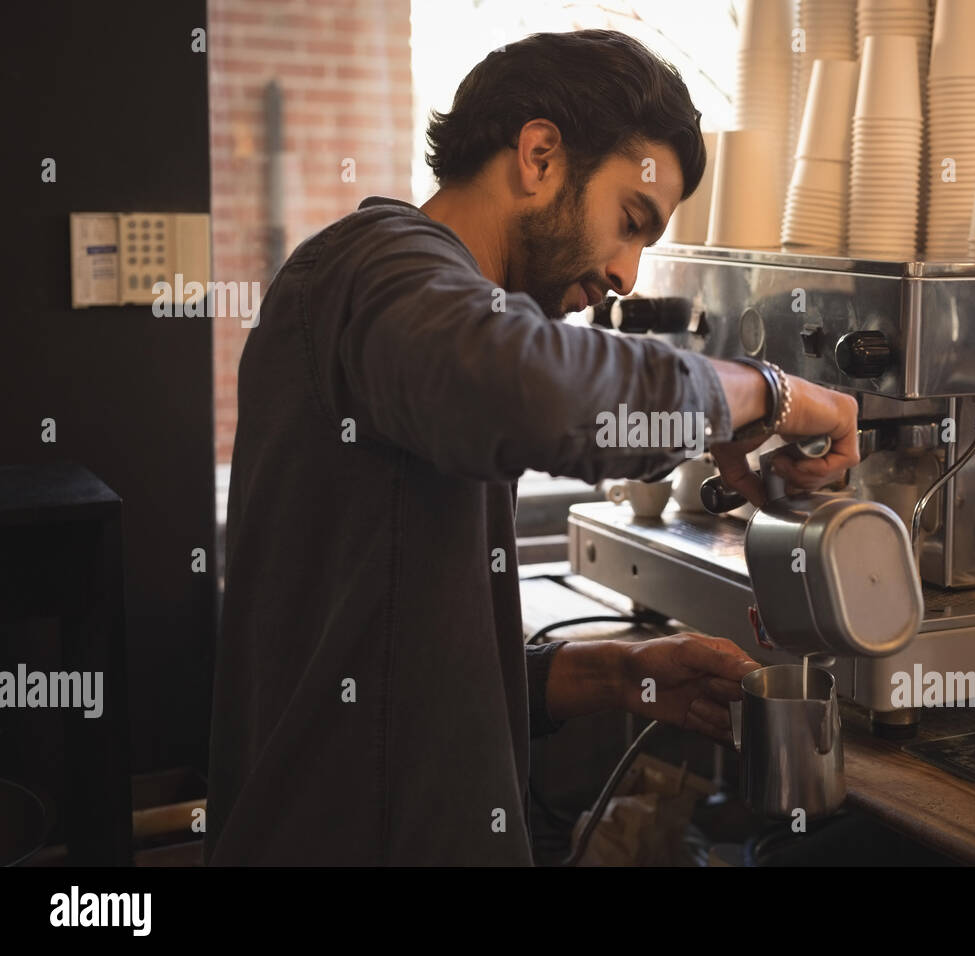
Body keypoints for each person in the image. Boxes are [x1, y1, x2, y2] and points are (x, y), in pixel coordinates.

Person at [205, 28, 859, 866]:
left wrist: (607, 676)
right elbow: (535, 392)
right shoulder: (377, 269)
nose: (626, 273)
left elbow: (391, 653)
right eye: (631, 221)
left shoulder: (432, 309)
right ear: (541, 155)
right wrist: (766, 393)